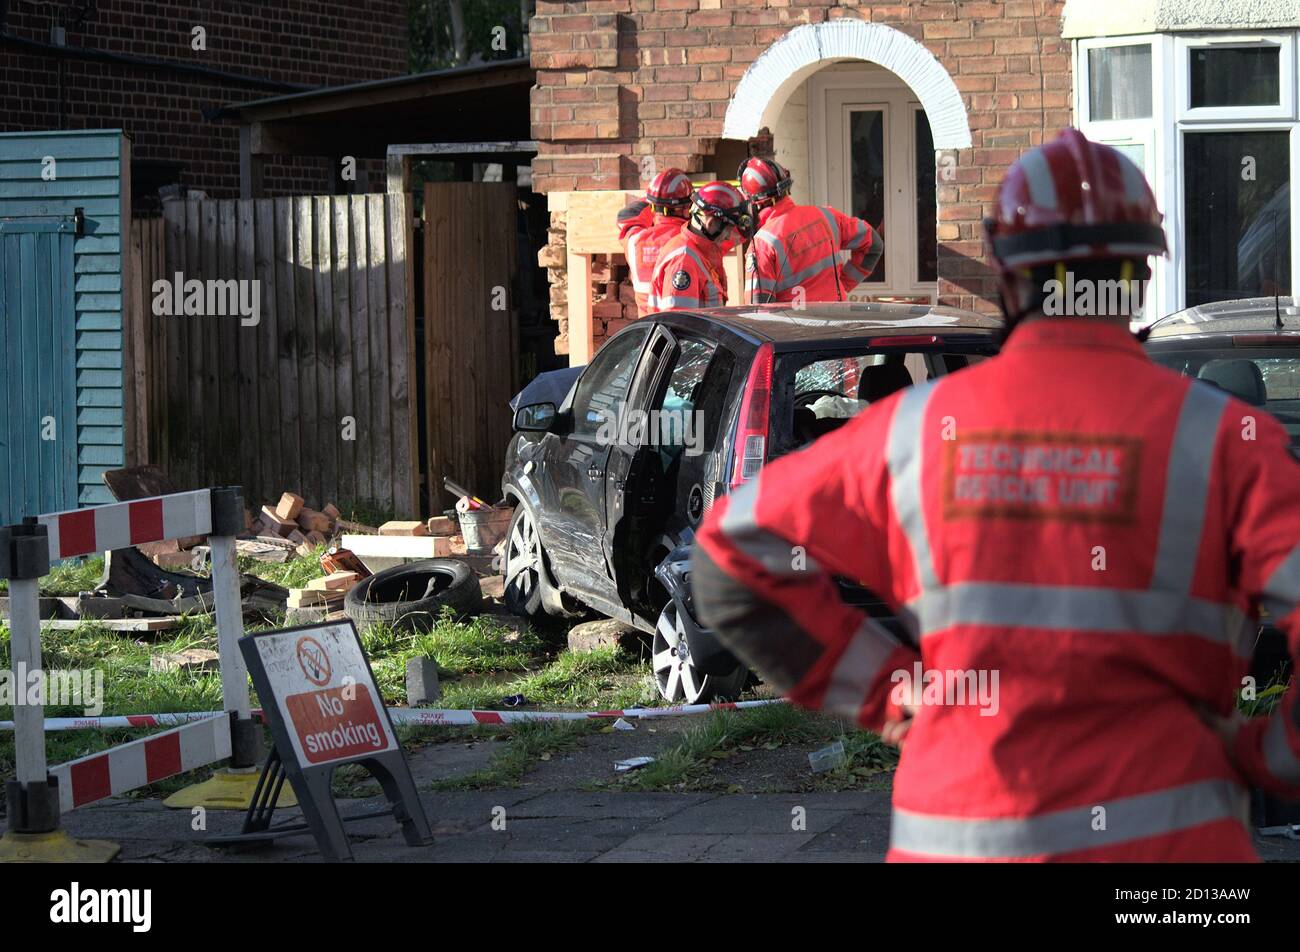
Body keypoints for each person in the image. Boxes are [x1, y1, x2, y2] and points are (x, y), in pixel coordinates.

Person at [690, 128, 1300, 862]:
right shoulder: (1228, 442)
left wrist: (890, 694)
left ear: (1008, 274)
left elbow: (734, 551)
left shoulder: (913, 433)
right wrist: (1274, 756)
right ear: (1139, 274)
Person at [738, 157, 883, 304]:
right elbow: (874, 245)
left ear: (754, 203)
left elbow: (757, 311)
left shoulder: (762, 245)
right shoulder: (827, 216)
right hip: (837, 321)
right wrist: (843, 285)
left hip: (794, 325)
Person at [647, 182, 753, 313]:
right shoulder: (684, 261)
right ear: (711, 222)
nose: (727, 237)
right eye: (729, 229)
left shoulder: (700, 252)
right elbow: (679, 326)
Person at [617, 168, 693, 318]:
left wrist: (655, 198)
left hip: (649, 334)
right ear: (685, 209)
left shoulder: (635, 241)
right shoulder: (692, 240)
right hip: (686, 333)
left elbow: (626, 216)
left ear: (652, 206)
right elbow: (735, 232)